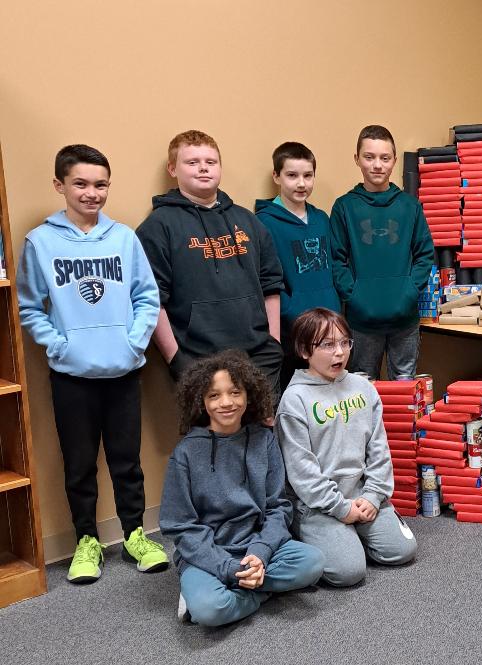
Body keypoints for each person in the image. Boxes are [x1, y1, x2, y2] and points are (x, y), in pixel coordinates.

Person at [17, 144, 167, 583]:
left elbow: (146, 296)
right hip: (71, 375)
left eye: (100, 184)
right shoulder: (41, 242)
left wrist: (133, 342)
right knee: (79, 462)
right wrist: (58, 345)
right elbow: (29, 308)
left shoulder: (123, 238)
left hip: (123, 370)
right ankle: (87, 541)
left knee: (127, 460)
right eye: (80, 184)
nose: (91, 193)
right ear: (59, 185)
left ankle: (136, 533)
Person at [160, 351, 324, 627]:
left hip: (256, 545)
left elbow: (278, 507)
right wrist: (228, 568)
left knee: (313, 562)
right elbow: (179, 526)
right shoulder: (186, 453)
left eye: (235, 392)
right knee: (210, 610)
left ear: (249, 396)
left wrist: (259, 554)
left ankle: (242, 586)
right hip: (208, 555)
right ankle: (258, 590)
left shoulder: (264, 440)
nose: (226, 403)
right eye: (214, 396)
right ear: (201, 401)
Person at [136, 130, 286, 394]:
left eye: (211, 162)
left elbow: (271, 285)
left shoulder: (248, 221)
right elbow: (151, 299)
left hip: (259, 356)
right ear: (173, 169)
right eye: (192, 162)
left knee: (264, 432)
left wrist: (273, 343)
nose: (203, 168)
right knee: (211, 436)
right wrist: (175, 359)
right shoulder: (158, 226)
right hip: (198, 360)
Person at [276, 308, 417, 586]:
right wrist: (341, 509)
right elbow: (302, 472)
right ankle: (311, 532)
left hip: (362, 494)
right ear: (305, 350)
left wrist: (374, 496)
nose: (339, 353)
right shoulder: (294, 400)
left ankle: (351, 535)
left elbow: (379, 449)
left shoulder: (363, 388)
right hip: (317, 505)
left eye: (344, 342)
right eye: (327, 345)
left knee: (403, 551)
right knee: (349, 572)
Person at [329, 125, 434, 379]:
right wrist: (354, 296)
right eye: (369, 157)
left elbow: (425, 255)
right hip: (362, 320)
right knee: (362, 389)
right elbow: (336, 260)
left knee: (405, 388)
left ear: (394, 161)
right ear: (357, 159)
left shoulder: (410, 206)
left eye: (385, 158)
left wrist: (409, 291)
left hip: (404, 319)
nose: (377, 165)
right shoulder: (344, 207)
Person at [255, 142, 340, 389]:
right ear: (276, 177)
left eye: (307, 175)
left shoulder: (321, 218)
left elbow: (332, 266)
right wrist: (292, 311)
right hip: (293, 333)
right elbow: (266, 279)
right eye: (292, 175)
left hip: (330, 328)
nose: (301, 183)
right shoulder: (263, 223)